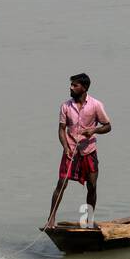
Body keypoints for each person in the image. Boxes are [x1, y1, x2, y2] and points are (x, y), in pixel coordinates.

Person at [44, 73, 112, 229]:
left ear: (84, 88)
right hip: (70, 150)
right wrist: (65, 147)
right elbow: (61, 129)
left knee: (92, 186)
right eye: (71, 85)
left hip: (89, 150)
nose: (71, 87)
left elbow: (108, 126)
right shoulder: (66, 106)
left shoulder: (96, 105)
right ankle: (51, 219)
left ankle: (89, 220)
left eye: (75, 85)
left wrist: (94, 130)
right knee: (61, 183)